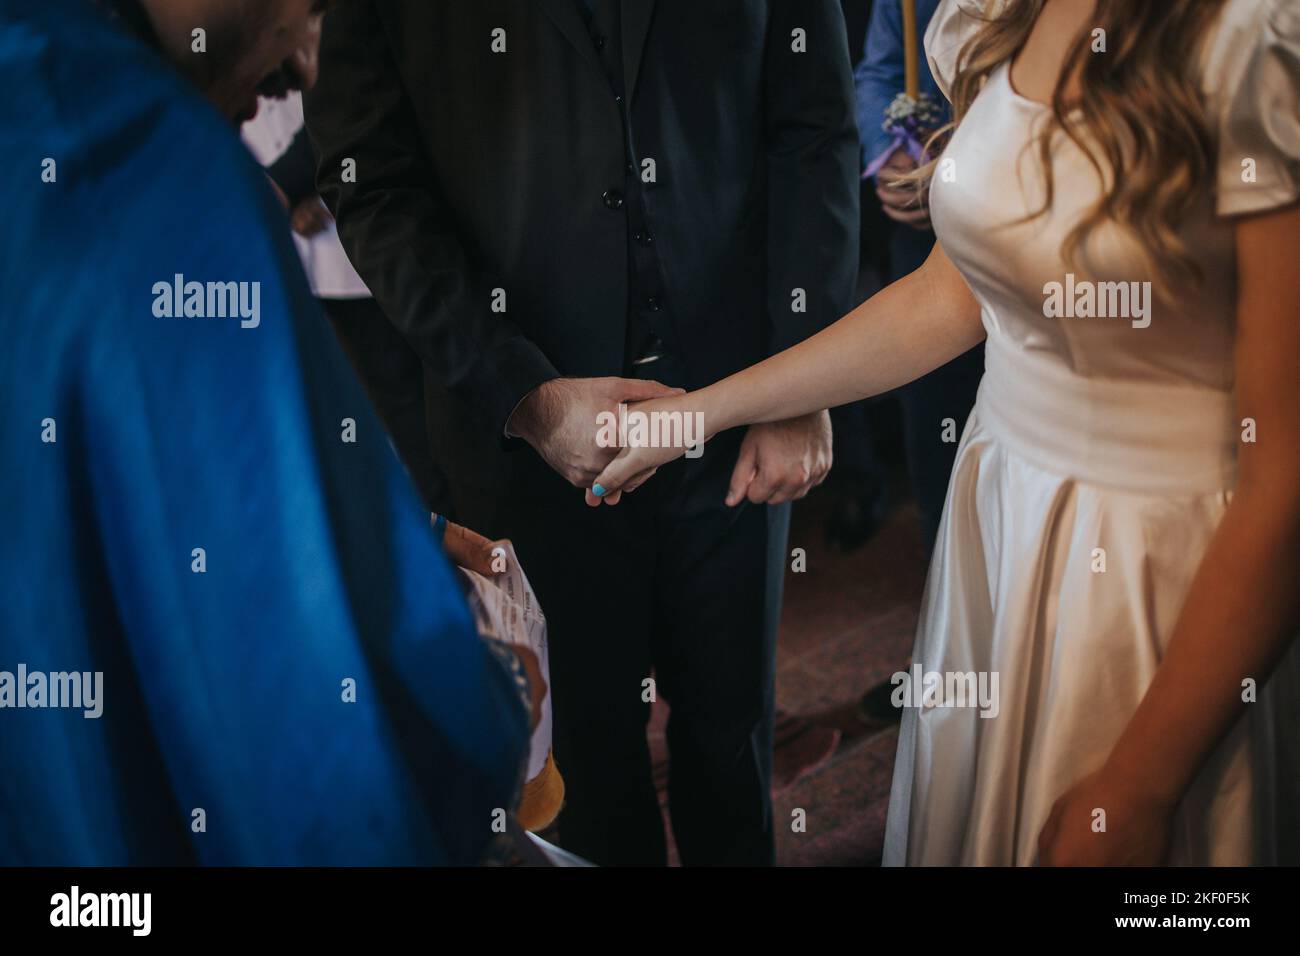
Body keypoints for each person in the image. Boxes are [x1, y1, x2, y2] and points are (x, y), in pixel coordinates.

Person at [587, 0, 1300, 865]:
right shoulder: (997, 15)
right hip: (1001, 516)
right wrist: (700, 412)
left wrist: (1140, 788)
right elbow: (948, 297)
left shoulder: (1261, 38)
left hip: (1165, 554)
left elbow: (1285, 483)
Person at [304, 0, 861, 866]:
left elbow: (814, 126)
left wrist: (804, 374)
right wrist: (522, 393)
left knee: (732, 732)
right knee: (582, 768)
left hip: (739, 403)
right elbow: (371, 182)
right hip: (520, 440)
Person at [0, 0, 534, 865]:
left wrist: (395, 537)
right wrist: (492, 693)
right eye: (315, 4)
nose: (309, 65)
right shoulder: (146, 167)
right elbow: (324, 765)